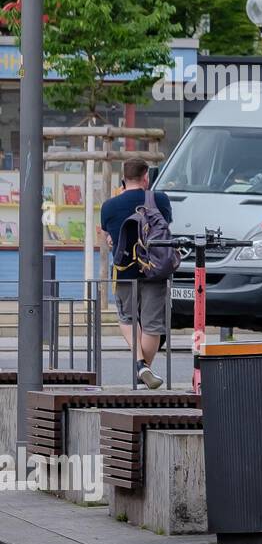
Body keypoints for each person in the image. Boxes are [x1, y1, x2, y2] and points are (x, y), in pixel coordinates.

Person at [100, 158, 173, 389]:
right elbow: (166, 228)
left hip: (124, 271)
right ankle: (142, 372)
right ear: (145, 178)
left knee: (126, 318)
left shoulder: (109, 206)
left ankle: (141, 366)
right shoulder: (159, 199)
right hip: (154, 271)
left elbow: (108, 235)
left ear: (124, 178)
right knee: (152, 326)